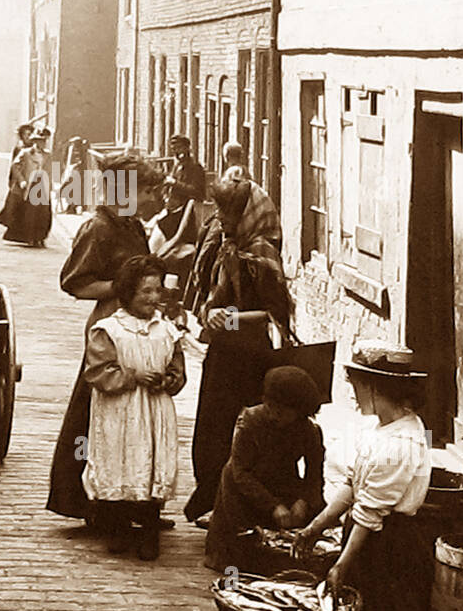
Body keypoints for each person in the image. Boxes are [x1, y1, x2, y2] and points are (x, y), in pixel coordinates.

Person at [292, 341, 433, 611]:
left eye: (355, 386)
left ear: (372, 387)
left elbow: (370, 513)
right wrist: (314, 527)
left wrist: (342, 564)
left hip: (390, 542)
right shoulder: (377, 430)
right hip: (366, 534)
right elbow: (353, 487)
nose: (352, 394)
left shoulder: (400, 444)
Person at [47, 154, 167, 522]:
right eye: (149, 190)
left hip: (141, 331)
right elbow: (74, 283)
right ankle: (90, 503)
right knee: (97, 418)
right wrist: (121, 288)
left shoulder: (134, 226)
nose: (154, 197)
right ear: (128, 191)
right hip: (111, 333)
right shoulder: (98, 228)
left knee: (139, 418)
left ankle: (135, 502)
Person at [182, 175, 290, 525]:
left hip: (251, 360)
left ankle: (232, 508)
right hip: (223, 357)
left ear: (246, 213)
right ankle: (214, 500)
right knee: (211, 432)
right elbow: (209, 296)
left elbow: (276, 315)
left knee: (237, 434)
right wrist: (211, 314)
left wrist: (227, 319)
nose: (220, 218)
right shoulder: (226, 244)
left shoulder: (261, 250)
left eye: (227, 211)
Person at [82, 254, 186, 560]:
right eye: (145, 292)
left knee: (152, 463)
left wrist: (167, 380)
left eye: (157, 291)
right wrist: (133, 376)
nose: (153, 298)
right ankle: (118, 527)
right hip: (121, 411)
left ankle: (149, 529)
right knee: (121, 462)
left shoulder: (166, 331)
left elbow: (178, 370)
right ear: (128, 294)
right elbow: (98, 372)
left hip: (155, 412)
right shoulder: (109, 330)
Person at [203, 366, 325, 573]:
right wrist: (273, 506)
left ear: (299, 411)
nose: (272, 414)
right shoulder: (249, 421)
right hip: (243, 489)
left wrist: (303, 501)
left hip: (283, 483)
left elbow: (315, 476)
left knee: (304, 542)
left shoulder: (309, 432)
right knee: (236, 556)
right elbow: (240, 472)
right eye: (269, 406)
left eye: (280, 411)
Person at [148, 177, 206, 294]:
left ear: (179, 200)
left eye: (170, 197)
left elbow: (155, 246)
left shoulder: (167, 222)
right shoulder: (166, 216)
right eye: (165, 195)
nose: (166, 199)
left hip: (173, 259)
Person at [0, 130, 53, 247]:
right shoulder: (26, 153)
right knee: (31, 214)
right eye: (39, 141)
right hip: (30, 185)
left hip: (42, 185)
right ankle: (31, 237)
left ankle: (41, 237)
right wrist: (22, 180)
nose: (42, 143)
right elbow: (15, 166)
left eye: (44, 141)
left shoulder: (48, 155)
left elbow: (51, 171)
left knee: (43, 214)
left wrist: (50, 186)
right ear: (34, 141)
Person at [169, 134, 207, 201]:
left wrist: (175, 183)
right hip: (175, 206)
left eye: (179, 148)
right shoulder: (176, 166)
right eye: (173, 149)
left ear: (187, 148)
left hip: (189, 207)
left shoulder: (195, 167)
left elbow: (197, 191)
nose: (176, 152)